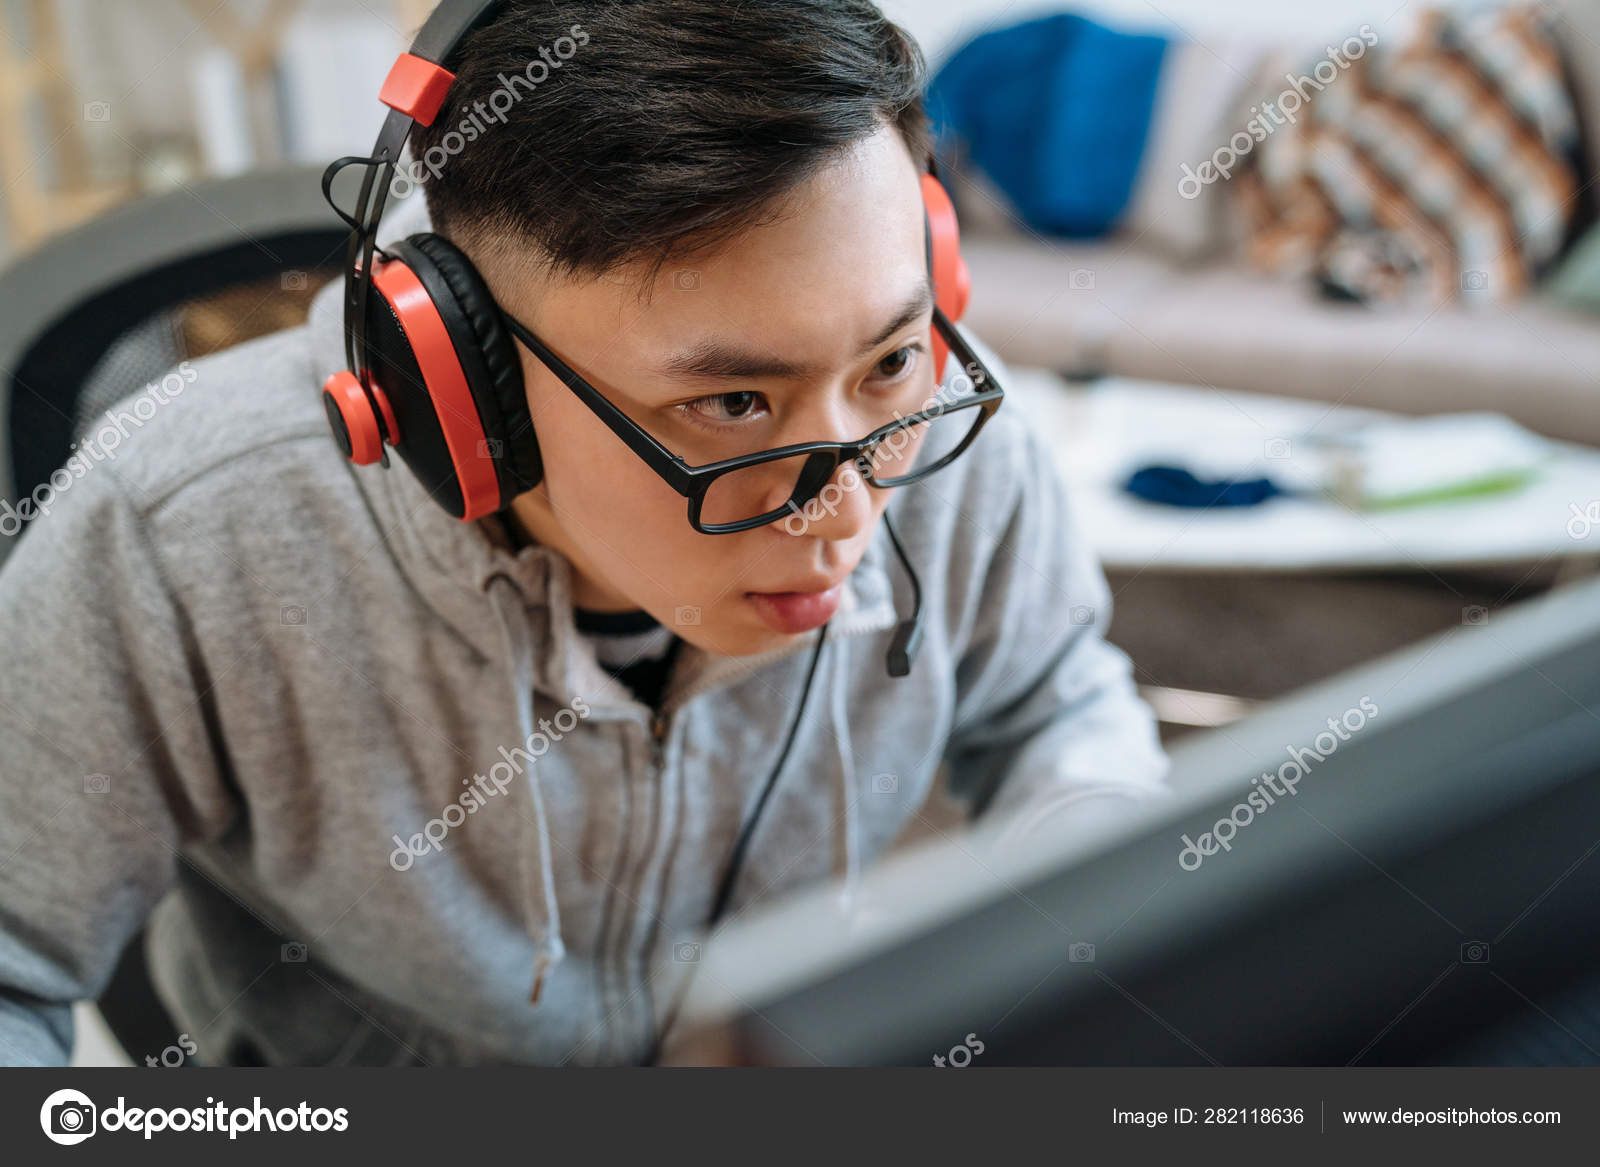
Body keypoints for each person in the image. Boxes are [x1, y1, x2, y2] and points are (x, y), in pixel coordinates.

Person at [0, 0, 1166, 1067]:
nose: (848, 506)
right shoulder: (186, 527)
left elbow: (1056, 707)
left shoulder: (946, 420)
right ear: (463, 388)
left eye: (888, 358)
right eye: (731, 405)